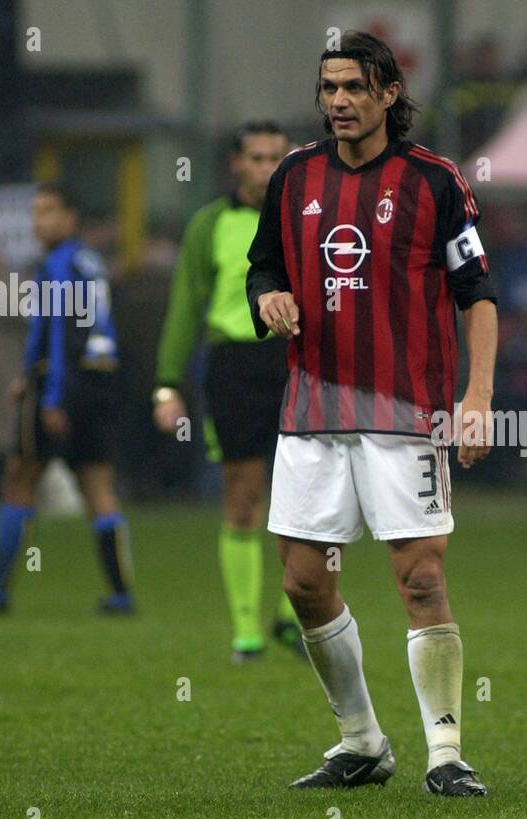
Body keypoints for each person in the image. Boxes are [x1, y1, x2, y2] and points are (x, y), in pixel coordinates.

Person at [246, 31, 499, 796]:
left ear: (390, 93)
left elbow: (478, 293)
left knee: (420, 577)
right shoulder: (294, 177)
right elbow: (263, 264)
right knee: (301, 582)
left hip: (405, 412)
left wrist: (478, 398)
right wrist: (268, 297)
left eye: (354, 87)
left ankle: (447, 753)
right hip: (312, 409)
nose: (339, 102)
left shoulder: (436, 181)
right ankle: (361, 740)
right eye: (329, 89)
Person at [153, 120, 303, 662]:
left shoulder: (306, 217)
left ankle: (293, 615)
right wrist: (167, 384)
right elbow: (185, 305)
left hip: (297, 361)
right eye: (257, 158)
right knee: (242, 494)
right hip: (233, 364)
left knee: (312, 494)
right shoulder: (209, 225)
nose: (266, 167)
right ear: (236, 164)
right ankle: (247, 632)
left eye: (276, 157)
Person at [0, 183, 135, 614]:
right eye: (35, 212)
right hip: (99, 379)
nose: (39, 221)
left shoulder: (57, 264)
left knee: (19, 478)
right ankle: (121, 595)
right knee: (97, 486)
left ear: (71, 218)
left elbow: (56, 331)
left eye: (49, 211)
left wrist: (48, 395)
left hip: (60, 382)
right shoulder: (91, 263)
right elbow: (95, 329)